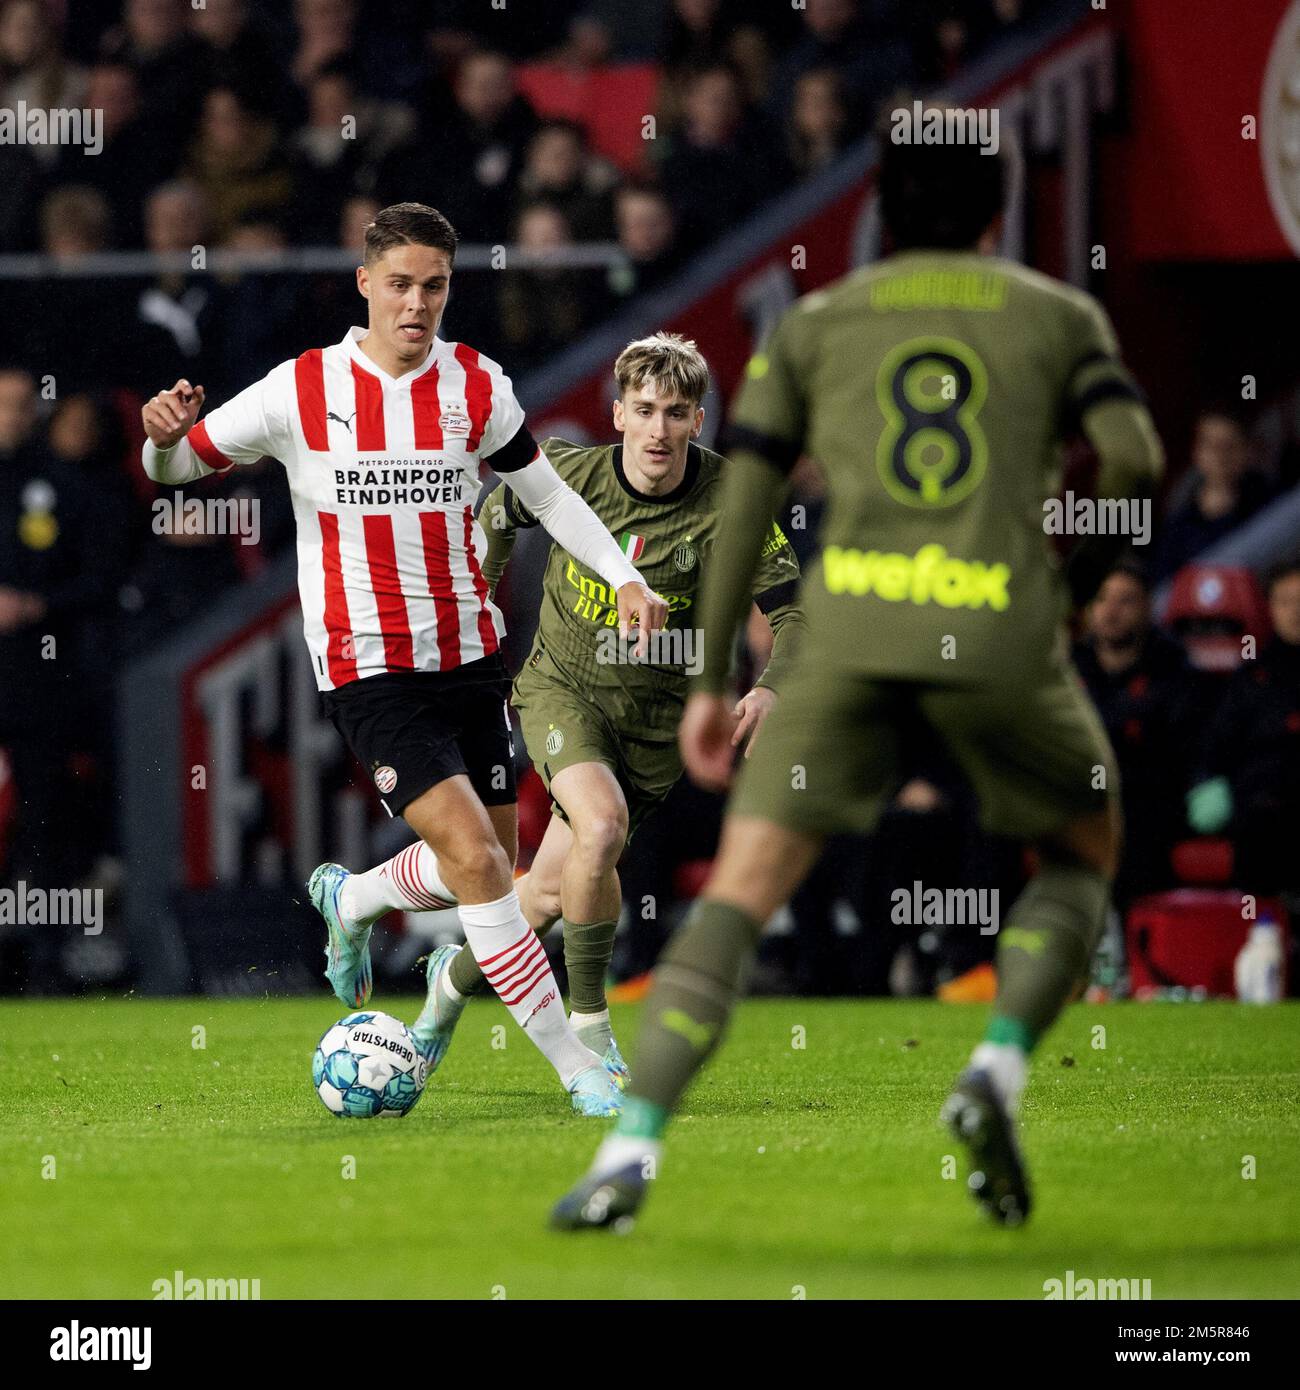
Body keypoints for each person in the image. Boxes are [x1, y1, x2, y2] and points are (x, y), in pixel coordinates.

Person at [552, 118, 1164, 1231]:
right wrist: (1069, 587)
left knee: (737, 897)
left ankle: (628, 1152)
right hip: (996, 627)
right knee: (1080, 858)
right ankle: (996, 1070)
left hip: (844, 637)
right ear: (995, 211)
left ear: (879, 212)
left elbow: (747, 495)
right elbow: (1133, 459)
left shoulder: (819, 322)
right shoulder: (1060, 316)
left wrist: (702, 679)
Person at [138, 202, 667, 1117]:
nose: (416, 303)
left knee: (489, 866)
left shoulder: (476, 386)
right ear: (365, 285)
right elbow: (175, 474)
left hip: (469, 657)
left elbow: (543, 495)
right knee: (481, 865)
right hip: (366, 667)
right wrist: (158, 436)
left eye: (434, 286)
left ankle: (354, 900)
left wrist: (622, 573)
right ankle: (579, 1070)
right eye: (400, 285)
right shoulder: (297, 391)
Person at [382, 332, 803, 1083]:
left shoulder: (736, 501)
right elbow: (500, 508)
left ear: (698, 421)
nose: (658, 430)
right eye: (644, 410)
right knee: (600, 827)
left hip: (658, 727)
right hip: (561, 691)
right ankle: (591, 1034)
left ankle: (449, 984)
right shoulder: (568, 475)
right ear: (617, 415)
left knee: (545, 892)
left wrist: (772, 683)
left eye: (676, 413)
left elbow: (797, 615)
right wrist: (480, 606)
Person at [1074, 562, 1203, 909]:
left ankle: (1133, 949)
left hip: (1144, 800)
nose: (1110, 612)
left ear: (1148, 607)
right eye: (1101, 600)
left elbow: (1176, 757)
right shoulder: (1067, 666)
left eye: (1125, 601)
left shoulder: (1174, 669)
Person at [1186, 562, 1300, 896]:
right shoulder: (1250, 678)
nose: (1296, 611)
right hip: (1262, 811)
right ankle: (1261, 930)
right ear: (1269, 608)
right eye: (1286, 601)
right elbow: (1215, 748)